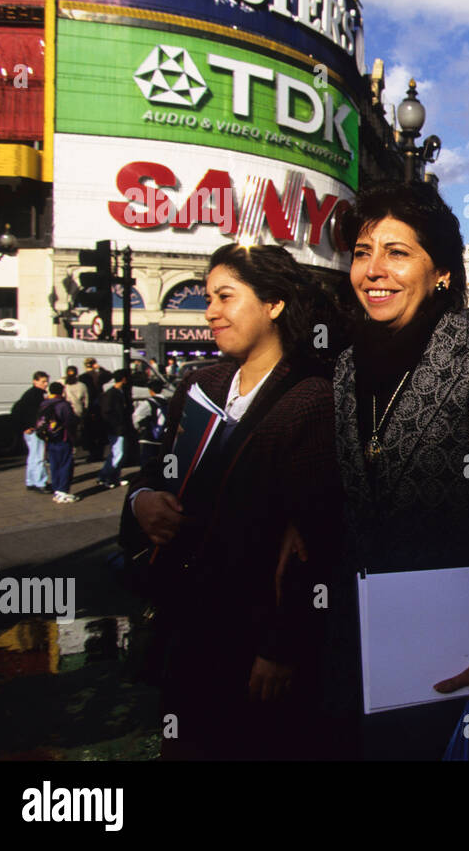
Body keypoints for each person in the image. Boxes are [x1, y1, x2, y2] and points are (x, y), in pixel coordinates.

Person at [332, 181, 469, 760]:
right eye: (362, 252)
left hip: (457, 643)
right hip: (366, 635)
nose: (373, 271)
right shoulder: (348, 367)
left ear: (443, 274)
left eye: (397, 253)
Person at [119, 243, 343, 760]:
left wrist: (281, 647)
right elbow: (156, 470)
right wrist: (144, 501)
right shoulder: (202, 383)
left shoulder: (310, 398)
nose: (210, 312)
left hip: (249, 637)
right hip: (185, 622)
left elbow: (317, 542)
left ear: (274, 304)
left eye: (225, 296)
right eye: (206, 298)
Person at [37, 382, 79, 503]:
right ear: (62, 391)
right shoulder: (63, 405)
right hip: (63, 438)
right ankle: (63, 491)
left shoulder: (44, 404)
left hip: (50, 439)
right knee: (66, 465)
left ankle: (56, 491)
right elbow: (70, 421)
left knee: (54, 465)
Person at [13, 371, 50, 494]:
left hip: (30, 430)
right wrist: (27, 426)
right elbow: (20, 410)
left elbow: (17, 409)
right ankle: (40, 483)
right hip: (35, 430)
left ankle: (31, 481)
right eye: (43, 381)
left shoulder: (30, 394)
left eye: (46, 381)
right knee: (39, 456)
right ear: (35, 381)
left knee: (33, 456)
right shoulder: (36, 395)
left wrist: (23, 427)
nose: (46, 384)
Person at [96, 370, 134, 489]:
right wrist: (116, 425)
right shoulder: (112, 394)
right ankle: (107, 477)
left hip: (121, 428)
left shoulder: (121, 392)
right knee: (118, 453)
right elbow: (107, 412)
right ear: (123, 379)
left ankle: (111, 476)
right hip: (116, 429)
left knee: (117, 453)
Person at [79, 357, 112, 461]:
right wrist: (100, 368)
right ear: (94, 365)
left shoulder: (82, 377)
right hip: (99, 407)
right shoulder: (99, 376)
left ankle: (93, 454)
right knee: (100, 432)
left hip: (89, 407)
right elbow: (109, 375)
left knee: (90, 433)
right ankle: (99, 453)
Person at [132, 379, 169, 469]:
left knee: (147, 461)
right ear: (162, 390)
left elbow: (136, 416)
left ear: (150, 391)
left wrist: (139, 428)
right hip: (164, 436)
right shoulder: (168, 402)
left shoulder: (148, 403)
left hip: (149, 436)